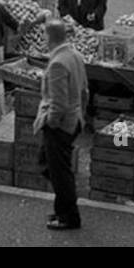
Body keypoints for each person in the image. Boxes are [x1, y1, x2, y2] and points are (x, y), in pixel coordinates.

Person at [34, 19, 89, 231]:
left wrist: (52, 123)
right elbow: (85, 90)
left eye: (44, 35)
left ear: (49, 37)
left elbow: (58, 103)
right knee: (48, 163)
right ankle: (62, 208)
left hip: (61, 125)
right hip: (74, 120)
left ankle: (69, 216)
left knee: (60, 172)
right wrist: (81, 115)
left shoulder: (58, 63)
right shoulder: (75, 55)